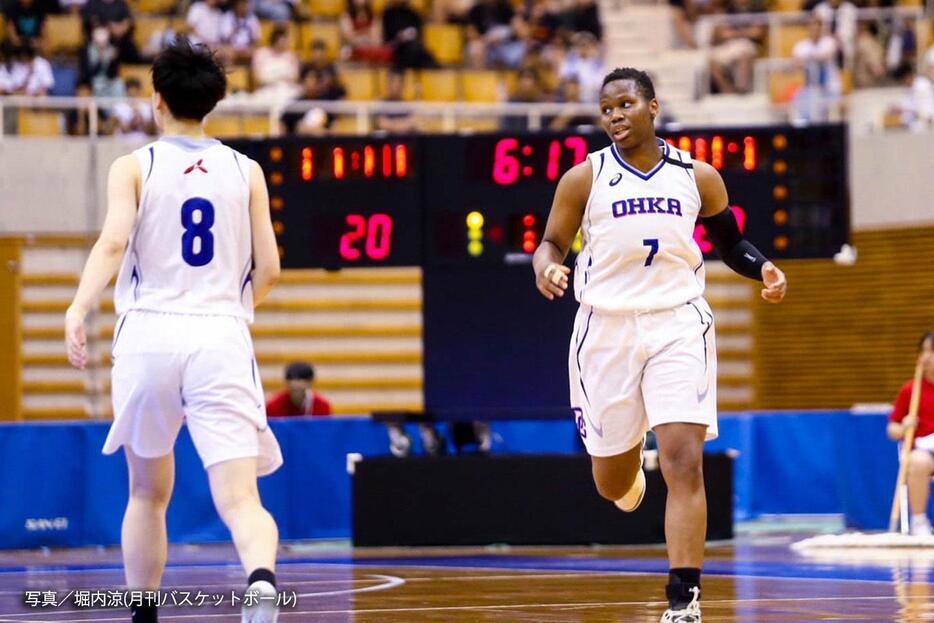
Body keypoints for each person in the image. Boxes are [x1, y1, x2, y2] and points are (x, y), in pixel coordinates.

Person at [532, 67, 787, 623]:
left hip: (678, 322)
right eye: (606, 109)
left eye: (625, 104)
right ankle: (630, 476)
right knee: (611, 483)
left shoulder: (699, 177)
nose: (615, 115)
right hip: (606, 329)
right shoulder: (584, 178)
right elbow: (550, 243)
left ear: (653, 107)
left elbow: (730, 243)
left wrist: (763, 266)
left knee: (684, 462)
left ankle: (685, 599)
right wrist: (548, 268)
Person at [64, 38, 282, 623]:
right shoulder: (247, 171)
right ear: (214, 101)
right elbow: (270, 270)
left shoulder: (134, 166)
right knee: (240, 498)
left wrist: (78, 308)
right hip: (220, 334)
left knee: (146, 492)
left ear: (157, 99)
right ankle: (261, 583)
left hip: (149, 334)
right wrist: (229, 307)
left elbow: (113, 243)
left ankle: (144, 613)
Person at [887, 331, 934, 537]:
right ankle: (919, 521)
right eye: (923, 351)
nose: (926, 356)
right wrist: (905, 426)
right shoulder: (910, 390)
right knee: (918, 462)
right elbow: (892, 429)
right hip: (924, 453)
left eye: (932, 351)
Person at [265, 362, 333, 417]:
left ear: (310, 382)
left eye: (300, 379)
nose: (295, 384)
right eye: (291, 379)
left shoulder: (322, 405)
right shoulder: (273, 405)